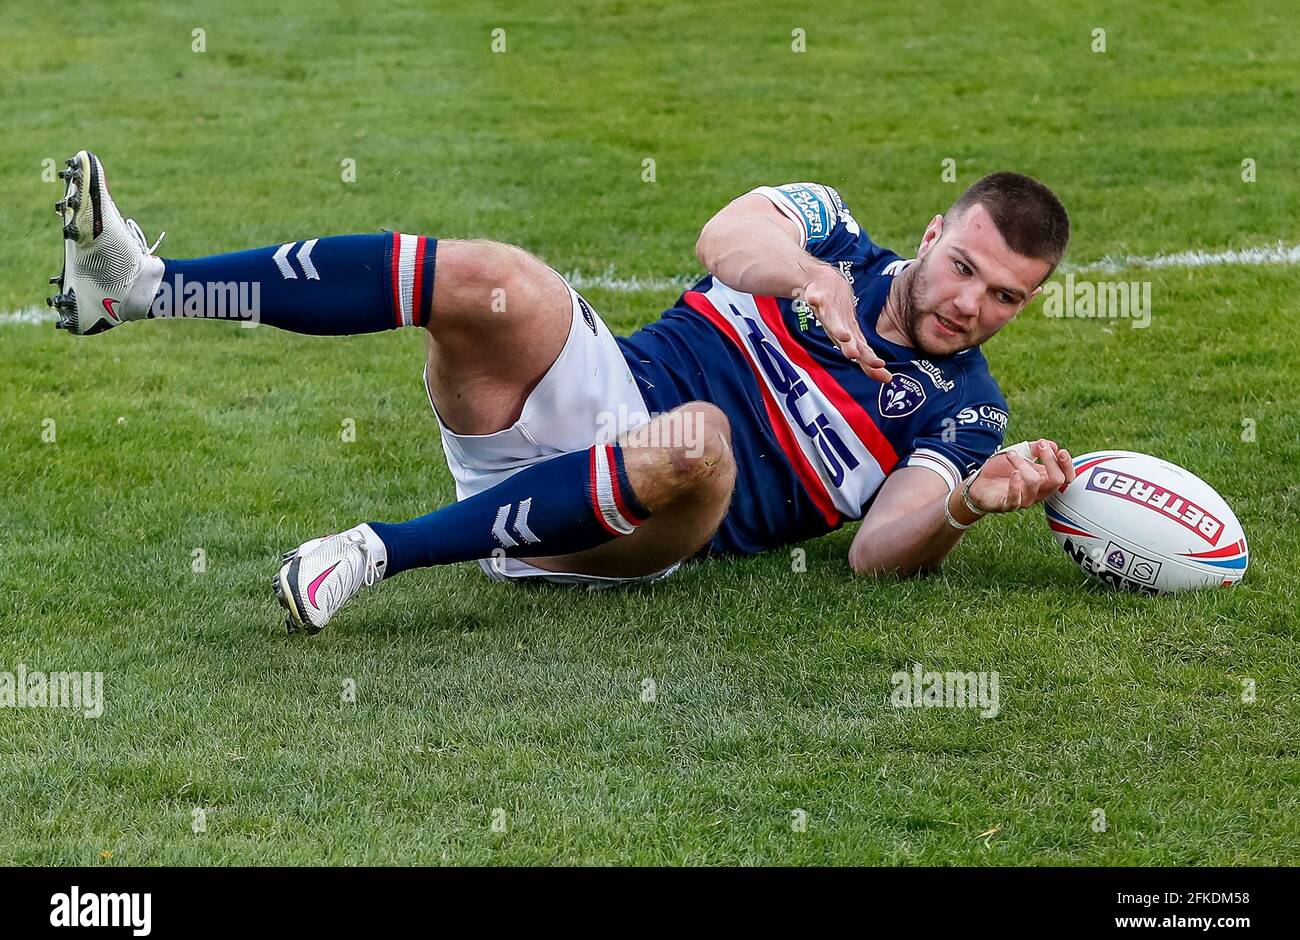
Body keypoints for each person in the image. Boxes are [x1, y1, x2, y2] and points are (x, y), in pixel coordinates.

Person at [48, 150, 1077, 633]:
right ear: (935, 234)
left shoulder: (962, 408)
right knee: (504, 277)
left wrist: (961, 502)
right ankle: (136, 288)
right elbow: (725, 236)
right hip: (584, 395)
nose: (971, 305)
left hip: (647, 521)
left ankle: (373, 550)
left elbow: (871, 551)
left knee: (701, 435)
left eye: (1005, 298)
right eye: (964, 269)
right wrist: (808, 278)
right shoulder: (833, 230)